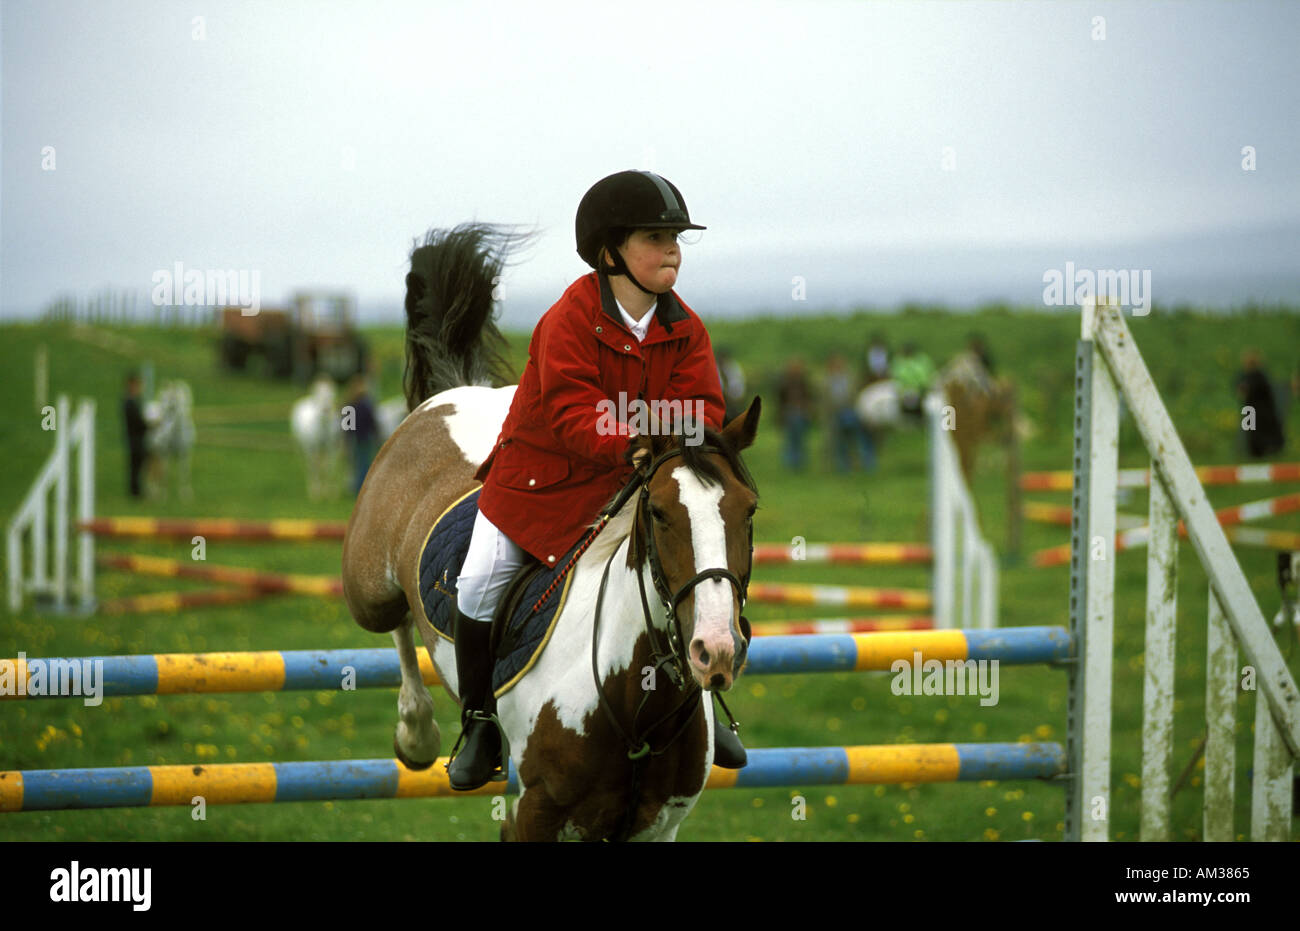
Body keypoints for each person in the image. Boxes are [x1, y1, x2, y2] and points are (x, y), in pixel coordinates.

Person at [449, 170, 744, 790]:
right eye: (656, 237)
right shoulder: (567, 321)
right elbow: (571, 414)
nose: (672, 250)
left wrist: (670, 445)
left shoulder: (685, 327)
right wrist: (640, 441)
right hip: (538, 484)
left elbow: (705, 408)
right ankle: (478, 720)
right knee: (476, 585)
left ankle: (711, 700)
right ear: (611, 253)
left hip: (627, 485)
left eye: (675, 239)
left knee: (702, 560)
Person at [824, 352, 875, 472]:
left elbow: (859, 397)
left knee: (862, 438)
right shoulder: (825, 382)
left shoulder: (851, 379)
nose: (838, 367)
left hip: (853, 413)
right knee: (840, 442)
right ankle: (844, 466)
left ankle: (867, 464)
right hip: (834, 416)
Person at [1235, 350, 1284, 458]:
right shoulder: (1251, 376)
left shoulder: (1257, 376)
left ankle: (1260, 452)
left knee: (1257, 431)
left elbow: (1245, 390)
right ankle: (1256, 452)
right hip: (1253, 409)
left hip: (1259, 410)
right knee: (1253, 431)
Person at [344, 375, 380, 496]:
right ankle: (361, 488)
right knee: (363, 464)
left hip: (354, 439)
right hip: (364, 438)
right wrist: (377, 436)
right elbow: (373, 422)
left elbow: (346, 425)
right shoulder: (366, 404)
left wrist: (346, 439)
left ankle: (356, 487)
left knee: (356, 464)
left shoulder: (349, 405)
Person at [776, 357, 814, 470]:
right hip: (788, 414)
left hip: (801, 414)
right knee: (790, 439)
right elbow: (780, 401)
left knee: (800, 438)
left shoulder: (804, 383)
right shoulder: (784, 384)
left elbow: (809, 398)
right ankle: (791, 462)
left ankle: (799, 462)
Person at [122, 372, 149, 498]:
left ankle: (137, 492)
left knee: (137, 467)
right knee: (136, 467)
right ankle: (135, 493)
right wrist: (150, 425)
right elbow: (138, 422)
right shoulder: (130, 402)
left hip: (136, 438)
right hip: (135, 439)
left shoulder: (133, 401)